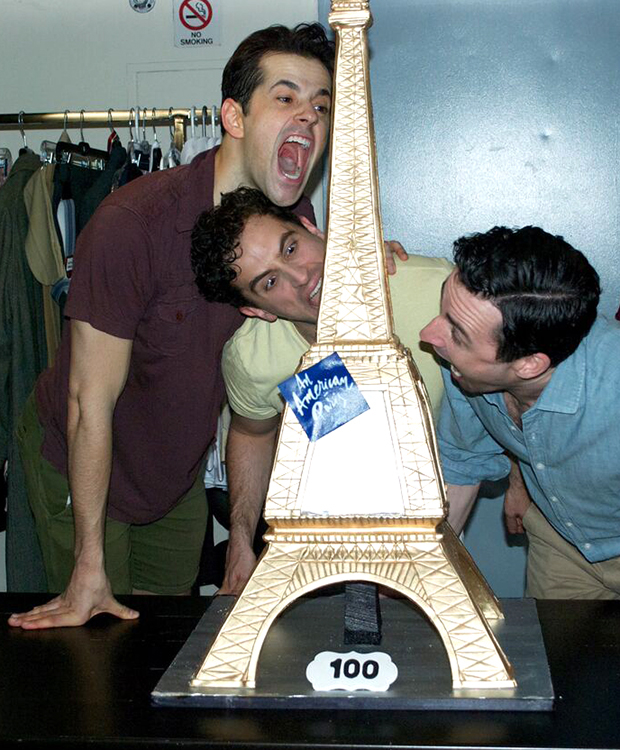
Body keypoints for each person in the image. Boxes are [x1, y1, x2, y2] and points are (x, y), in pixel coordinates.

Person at [9, 23, 335, 630]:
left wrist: (367, 274)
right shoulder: (133, 224)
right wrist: (88, 561)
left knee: (169, 638)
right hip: (85, 464)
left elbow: (294, 377)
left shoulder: (298, 226)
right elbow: (87, 403)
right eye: (286, 97)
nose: (309, 118)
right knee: (96, 636)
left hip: (177, 470)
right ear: (233, 117)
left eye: (320, 105)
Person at [191, 186, 453, 594]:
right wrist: (240, 541)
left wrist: (521, 482)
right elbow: (251, 432)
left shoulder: (434, 289)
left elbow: (506, 383)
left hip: (444, 506)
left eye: (291, 248)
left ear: (313, 229)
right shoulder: (254, 358)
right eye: (270, 282)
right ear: (256, 310)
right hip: (332, 533)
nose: (302, 277)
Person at [419, 225, 620, 599]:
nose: (429, 335)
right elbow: (463, 462)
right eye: (442, 312)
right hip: (559, 543)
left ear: (529, 365)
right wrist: (426, 569)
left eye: (457, 333)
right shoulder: (463, 369)